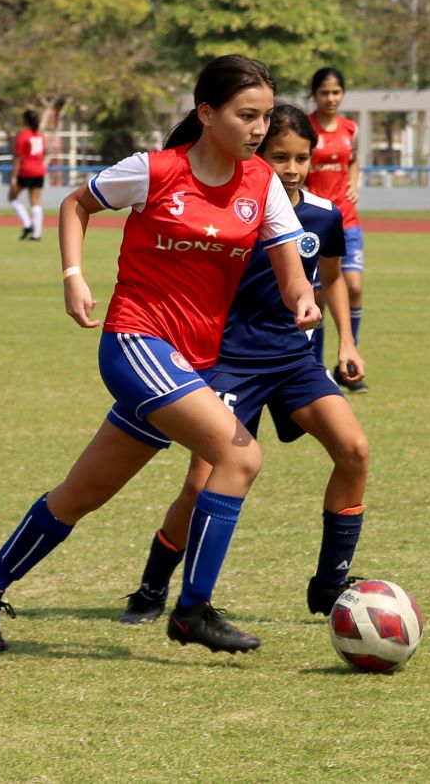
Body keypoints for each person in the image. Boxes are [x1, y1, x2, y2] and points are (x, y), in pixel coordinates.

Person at [0, 55, 320, 656]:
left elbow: (291, 274)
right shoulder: (155, 171)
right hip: (134, 341)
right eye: (246, 115)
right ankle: (192, 609)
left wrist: (304, 301)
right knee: (240, 457)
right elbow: (75, 205)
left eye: (264, 117)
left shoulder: (261, 185)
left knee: (80, 495)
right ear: (207, 114)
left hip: (190, 361)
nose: (259, 129)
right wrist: (73, 276)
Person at [119, 104, 370, 626]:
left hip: (294, 360)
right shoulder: (238, 206)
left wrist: (347, 341)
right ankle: (151, 587)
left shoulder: (324, 215)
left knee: (353, 450)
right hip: (230, 360)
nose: (293, 169)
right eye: (281, 156)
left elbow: (332, 278)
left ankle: (328, 585)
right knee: (202, 481)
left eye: (302, 158)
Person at [306, 67, 368, 393]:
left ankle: (349, 359)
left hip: (347, 219)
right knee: (317, 298)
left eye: (336, 92)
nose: (330, 98)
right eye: (324, 93)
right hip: (317, 223)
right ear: (314, 95)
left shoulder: (350, 128)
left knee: (353, 286)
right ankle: (316, 368)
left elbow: (354, 159)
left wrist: (354, 184)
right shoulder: (305, 128)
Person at [9, 109, 48, 241]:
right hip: (39, 170)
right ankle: (37, 234)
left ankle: (27, 224)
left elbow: (18, 158)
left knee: (12, 197)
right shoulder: (40, 136)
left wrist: (14, 176)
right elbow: (44, 153)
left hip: (26, 171)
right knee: (36, 202)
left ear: (25, 120)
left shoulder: (23, 136)